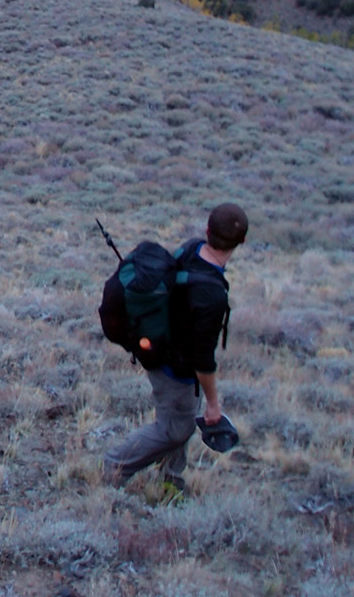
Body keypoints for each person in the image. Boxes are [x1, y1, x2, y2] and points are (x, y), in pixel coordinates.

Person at [102, 202, 248, 494]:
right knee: (175, 429)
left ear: (207, 231)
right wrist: (214, 404)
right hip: (173, 365)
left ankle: (171, 479)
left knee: (181, 418)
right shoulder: (212, 295)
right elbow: (203, 359)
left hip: (159, 346)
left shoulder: (193, 248)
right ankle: (115, 465)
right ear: (241, 242)